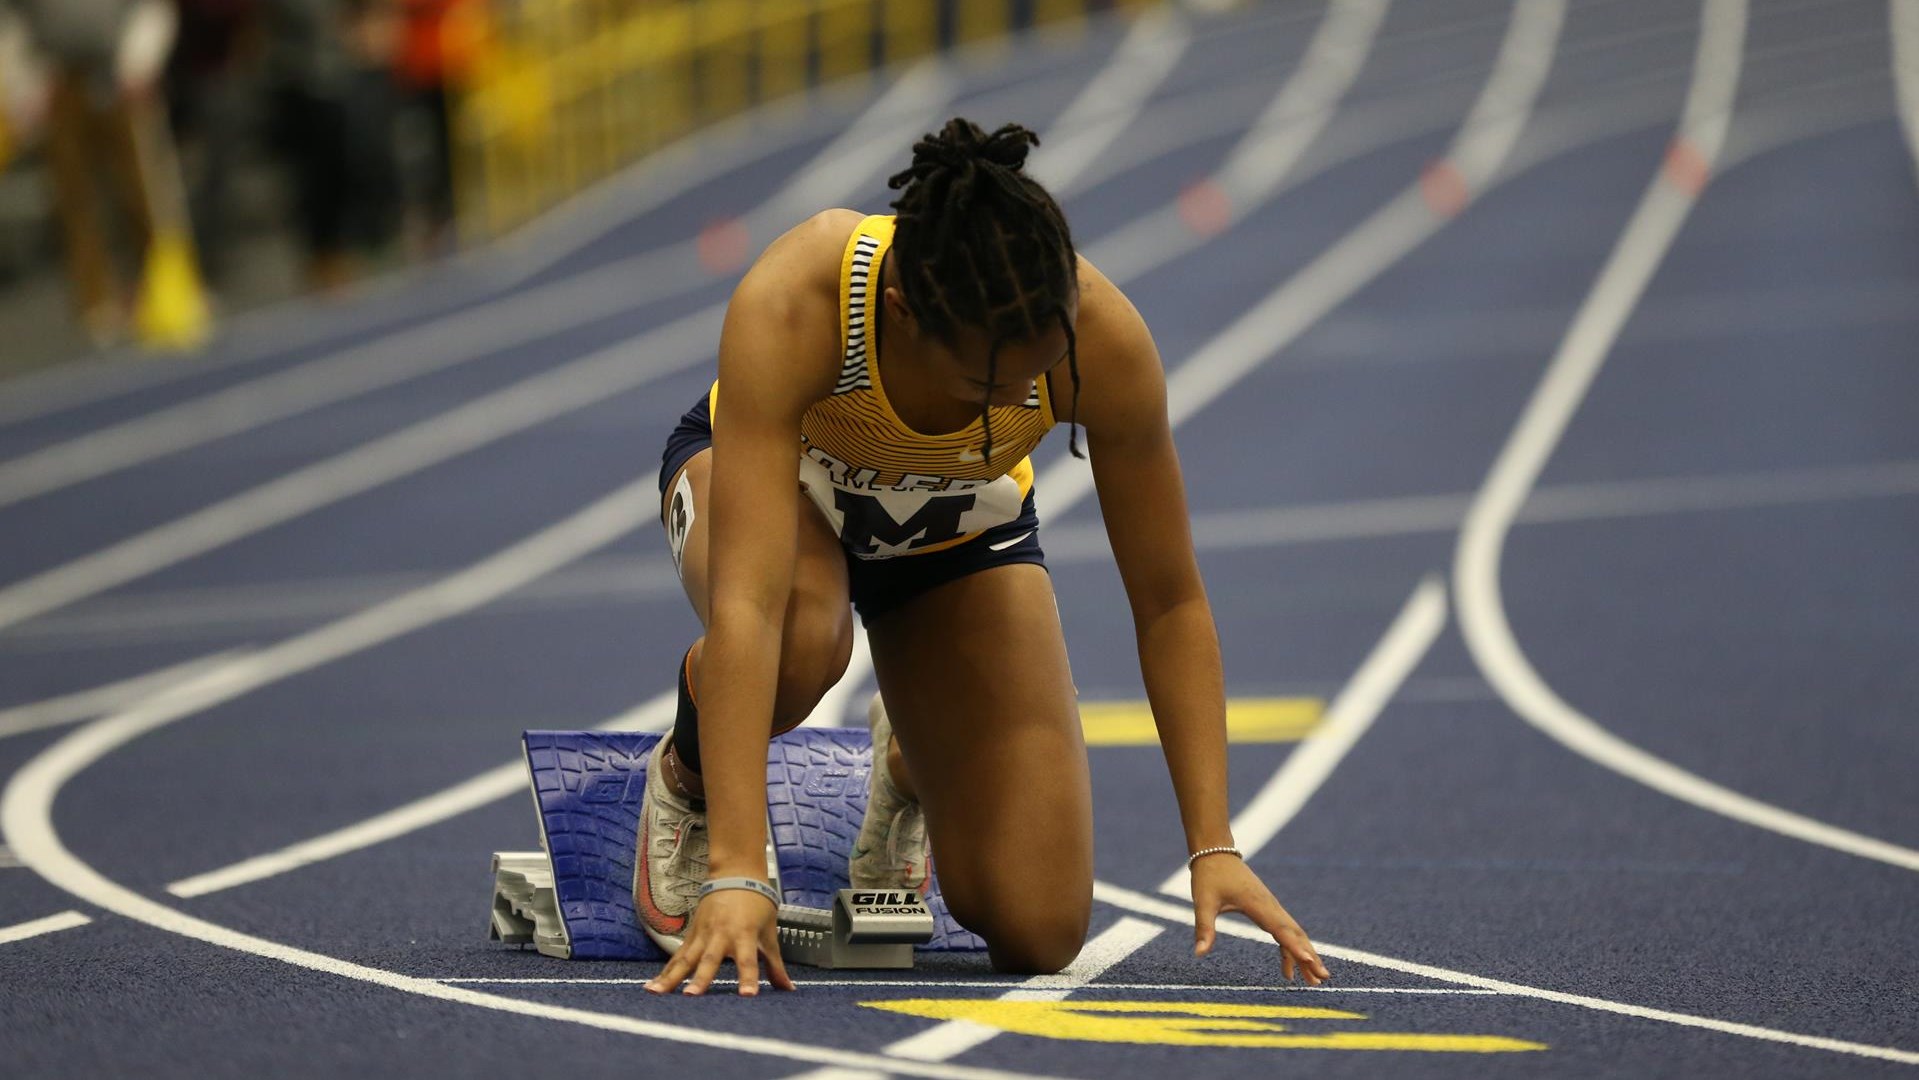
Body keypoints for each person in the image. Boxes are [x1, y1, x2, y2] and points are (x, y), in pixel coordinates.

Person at [638, 118, 1331, 996]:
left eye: (1034, 375)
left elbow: (1169, 603)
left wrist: (1212, 844)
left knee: (1039, 928)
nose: (1010, 401)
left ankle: (909, 757)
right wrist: (738, 871)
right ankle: (687, 782)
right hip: (789, 493)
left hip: (952, 520)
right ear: (902, 312)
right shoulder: (800, 298)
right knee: (805, 639)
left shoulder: (1100, 342)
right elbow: (748, 604)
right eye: (983, 385)